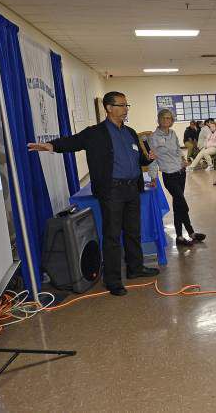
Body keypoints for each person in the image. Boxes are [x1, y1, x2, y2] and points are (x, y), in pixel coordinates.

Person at [28, 91, 158, 296]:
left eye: (127, 106)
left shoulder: (130, 133)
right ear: (108, 108)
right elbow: (73, 142)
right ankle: (113, 280)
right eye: (122, 105)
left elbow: (139, 160)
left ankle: (136, 268)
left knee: (133, 231)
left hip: (132, 188)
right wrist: (51, 145)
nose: (126, 109)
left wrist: (148, 158)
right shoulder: (95, 133)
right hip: (112, 190)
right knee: (113, 235)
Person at [146, 109, 206, 246]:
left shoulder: (172, 134)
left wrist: (183, 160)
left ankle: (180, 236)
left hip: (181, 173)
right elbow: (153, 160)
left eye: (169, 118)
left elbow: (178, 150)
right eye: (164, 118)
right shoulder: (153, 137)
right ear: (159, 119)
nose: (167, 120)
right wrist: (153, 178)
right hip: (169, 176)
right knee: (182, 203)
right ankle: (191, 232)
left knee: (178, 204)